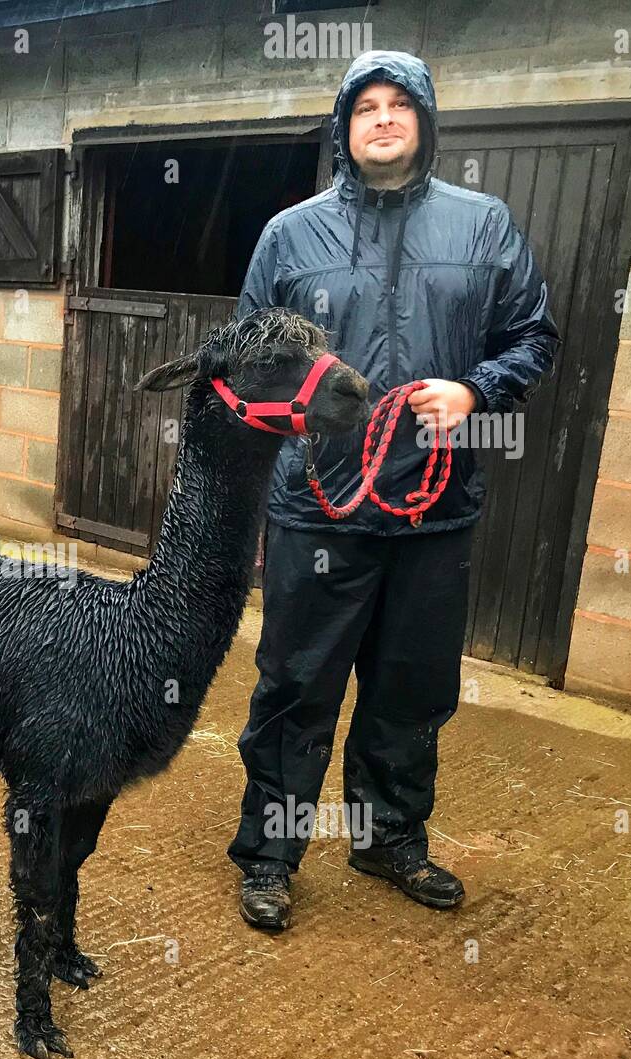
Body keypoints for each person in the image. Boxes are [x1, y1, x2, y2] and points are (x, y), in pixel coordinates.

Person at [229, 50, 559, 931]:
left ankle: (388, 840)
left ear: (424, 123)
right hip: (318, 507)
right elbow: (247, 357)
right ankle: (269, 852)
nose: (381, 118)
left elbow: (533, 336)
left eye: (398, 105)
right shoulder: (289, 235)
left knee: (411, 690)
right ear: (344, 128)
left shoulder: (482, 226)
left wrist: (477, 391)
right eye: (364, 106)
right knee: (297, 687)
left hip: (434, 510)